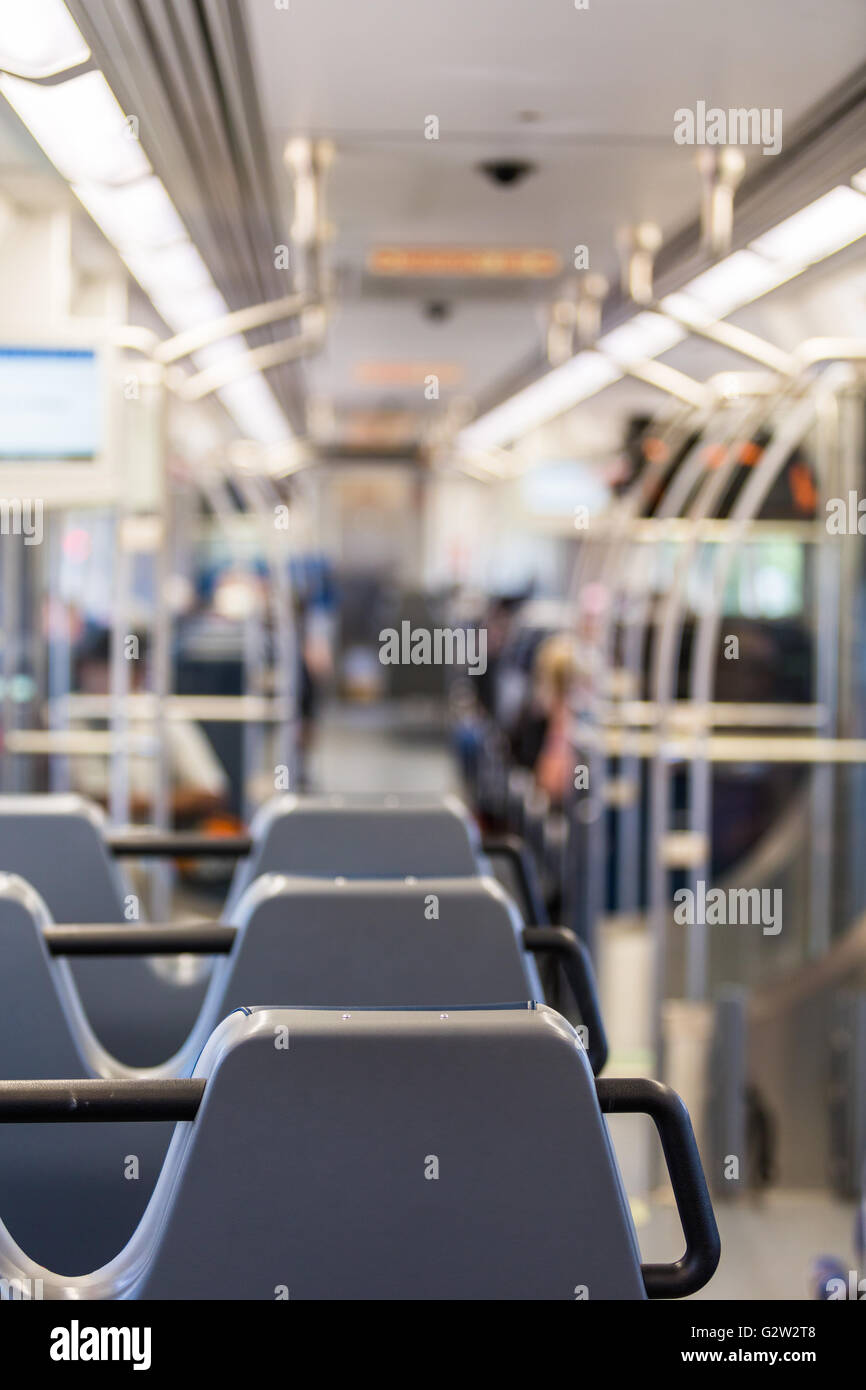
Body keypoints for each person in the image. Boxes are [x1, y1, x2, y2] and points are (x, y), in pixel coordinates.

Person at [71, 627, 229, 825]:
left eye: (130, 670)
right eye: (102, 668)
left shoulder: (162, 713)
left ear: (140, 674)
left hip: (157, 839)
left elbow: (210, 793)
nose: (110, 679)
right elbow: (85, 799)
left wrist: (137, 804)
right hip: (84, 838)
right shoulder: (66, 714)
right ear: (83, 669)